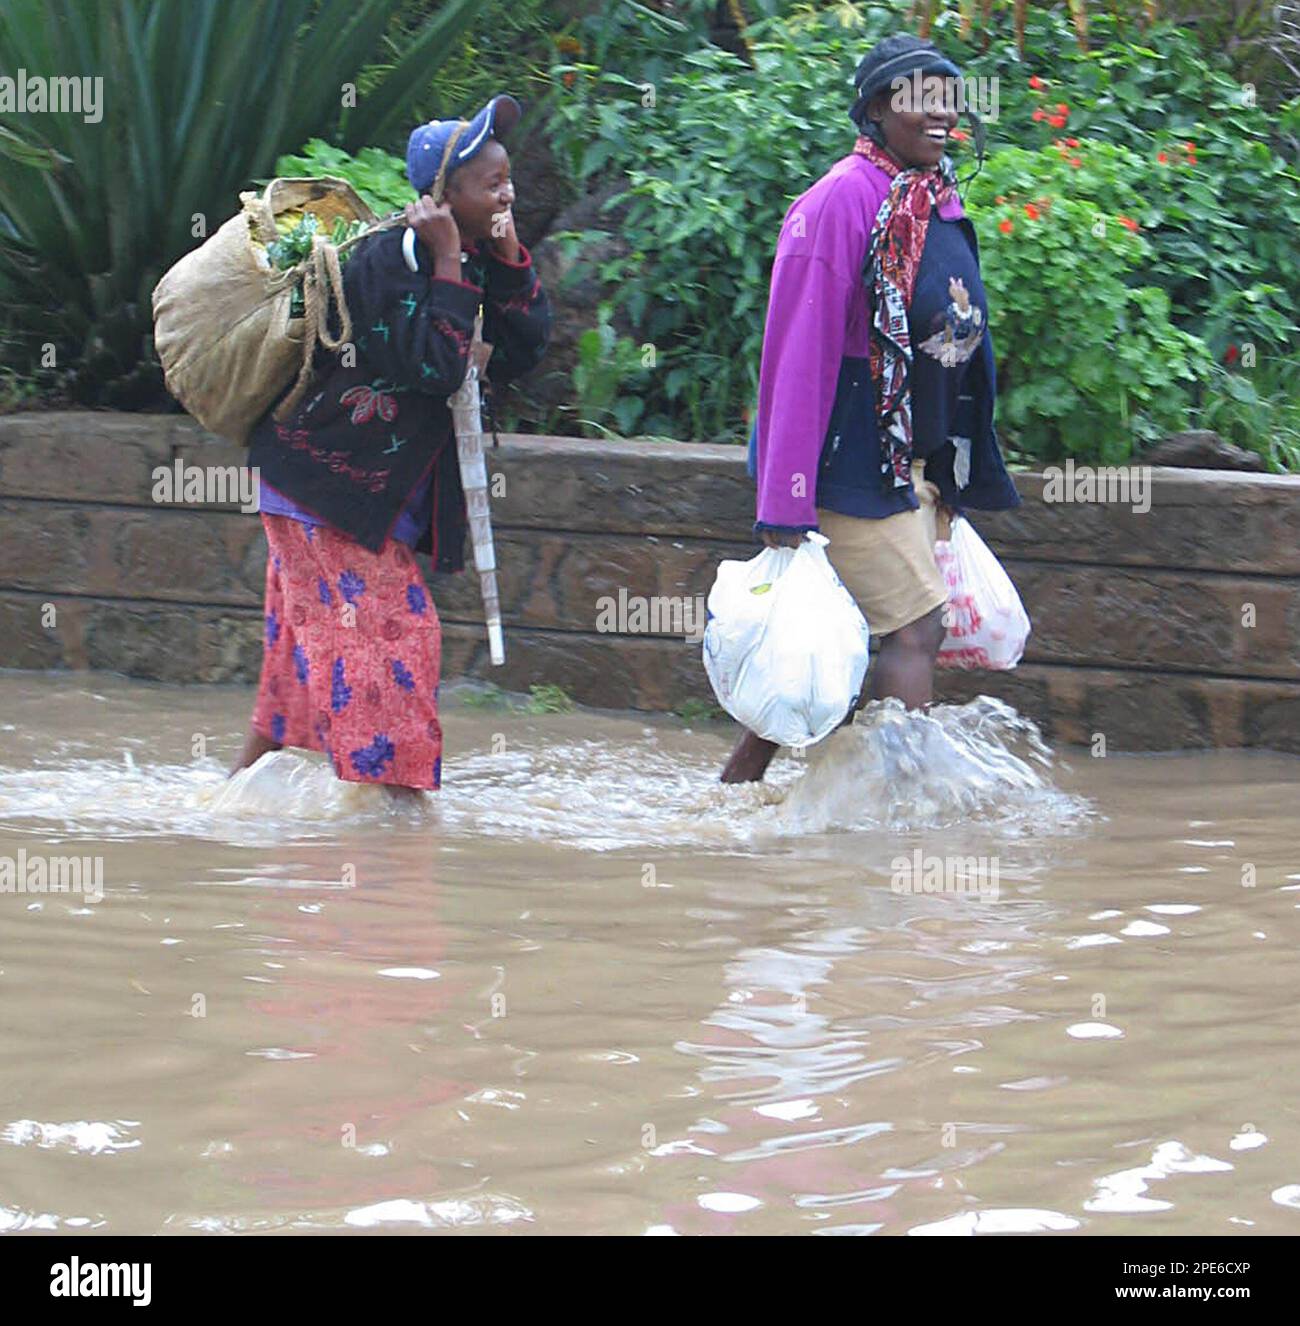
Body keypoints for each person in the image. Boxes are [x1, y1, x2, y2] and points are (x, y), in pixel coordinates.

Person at [232, 94, 551, 796]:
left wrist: (506, 257)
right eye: (492, 184)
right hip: (325, 491)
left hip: (355, 495)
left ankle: (219, 808)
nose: (508, 193)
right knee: (396, 643)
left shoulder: (470, 259)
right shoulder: (387, 261)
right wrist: (444, 262)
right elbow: (436, 368)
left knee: (296, 670)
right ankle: (397, 828)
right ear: (442, 197)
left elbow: (526, 347)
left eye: (508, 179)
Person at [722, 34, 1020, 784]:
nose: (944, 114)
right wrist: (785, 502)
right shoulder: (837, 205)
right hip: (847, 462)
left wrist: (956, 464)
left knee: (850, 643)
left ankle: (736, 804)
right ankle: (904, 808)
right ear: (880, 107)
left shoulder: (932, 200)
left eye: (951, 99)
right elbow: (798, 358)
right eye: (922, 97)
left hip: (908, 461)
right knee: (917, 625)